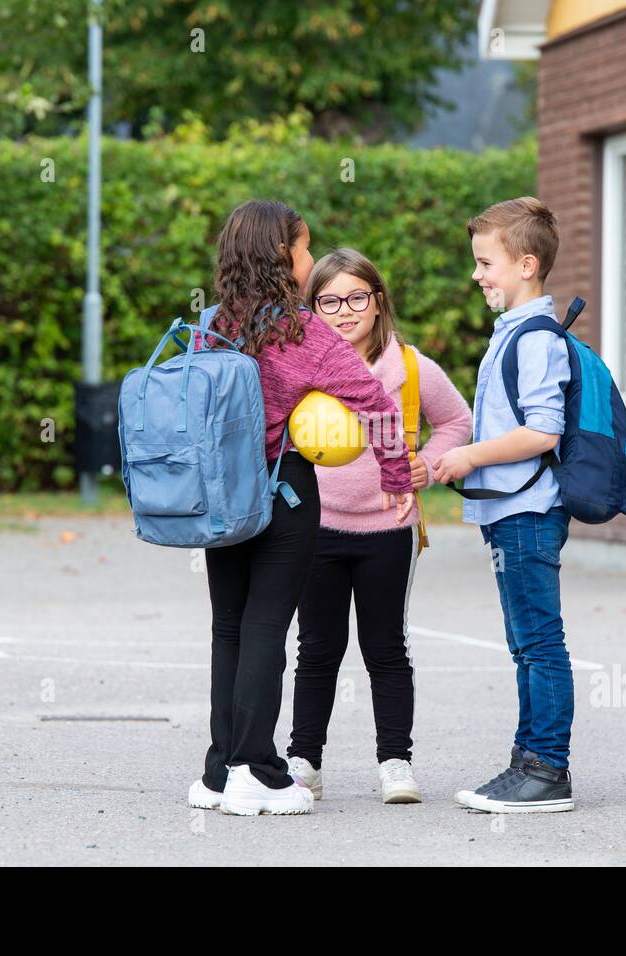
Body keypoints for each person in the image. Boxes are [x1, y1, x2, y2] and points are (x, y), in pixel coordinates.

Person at [186, 201, 415, 817]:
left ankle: (217, 770)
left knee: (229, 626)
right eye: (305, 248)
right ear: (279, 257)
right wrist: (397, 475)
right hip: (283, 492)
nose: (311, 259)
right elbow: (376, 402)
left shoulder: (211, 325)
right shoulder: (300, 331)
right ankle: (258, 769)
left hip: (219, 494)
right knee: (266, 626)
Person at [284, 248, 472, 805]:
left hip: (389, 530)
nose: (344, 311)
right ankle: (304, 762)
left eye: (356, 297)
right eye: (329, 300)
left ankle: (395, 762)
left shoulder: (409, 368)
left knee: (385, 647)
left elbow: (457, 420)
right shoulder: (300, 365)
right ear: (312, 307)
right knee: (317, 649)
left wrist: (428, 466)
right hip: (316, 529)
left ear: (377, 301)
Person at [433, 197, 576, 813]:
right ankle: (529, 761)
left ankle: (547, 770)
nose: (477, 276)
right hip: (512, 512)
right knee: (525, 642)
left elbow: (543, 432)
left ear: (525, 264)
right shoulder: (514, 333)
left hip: (528, 512)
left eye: (485, 263)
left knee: (540, 642)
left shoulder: (536, 340)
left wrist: (468, 457)